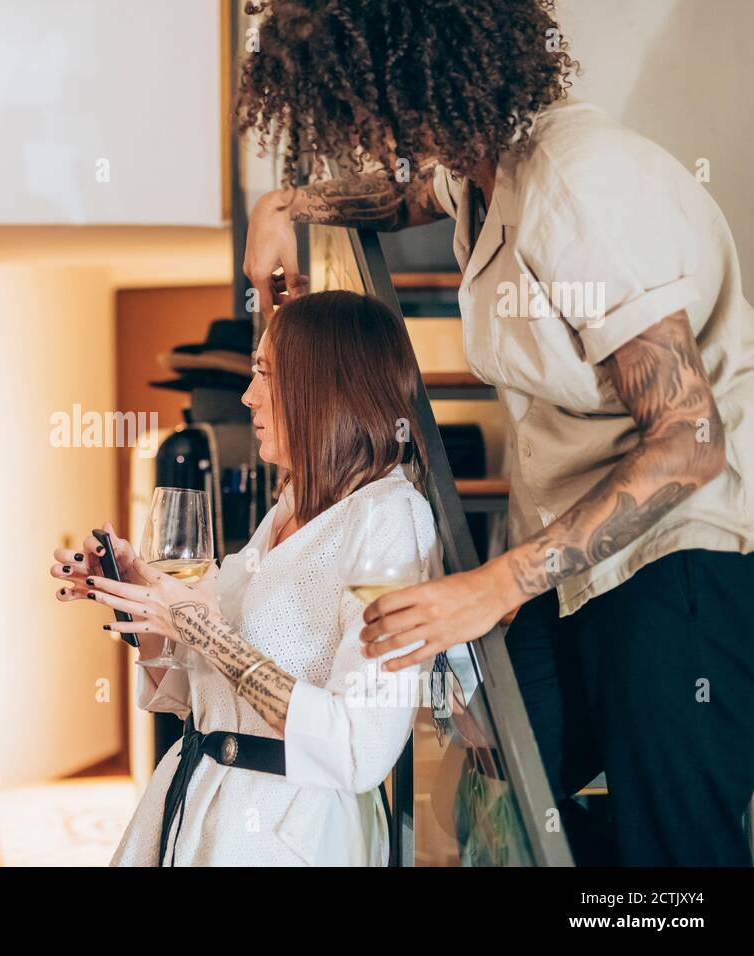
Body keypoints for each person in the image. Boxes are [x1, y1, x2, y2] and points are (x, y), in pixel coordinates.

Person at [237, 0, 754, 865]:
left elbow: (690, 438)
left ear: (410, 81)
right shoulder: (480, 171)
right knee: (489, 798)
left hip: (678, 560)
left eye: (359, 104)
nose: (356, 128)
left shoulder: (577, 184)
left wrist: (495, 586)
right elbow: (401, 197)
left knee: (673, 859)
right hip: (581, 563)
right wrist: (286, 202)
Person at [53, 291, 439, 865]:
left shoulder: (388, 522)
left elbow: (361, 745)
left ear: (325, 386)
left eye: (265, 373)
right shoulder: (287, 510)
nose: (247, 396)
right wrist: (141, 595)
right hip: (203, 811)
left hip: (289, 834)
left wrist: (195, 623)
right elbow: (202, 695)